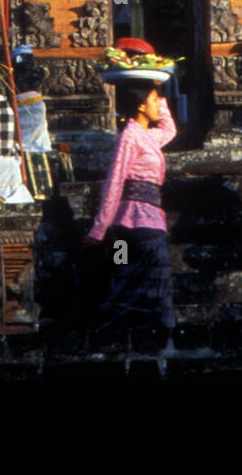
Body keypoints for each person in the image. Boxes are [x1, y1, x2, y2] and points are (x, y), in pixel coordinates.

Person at [84, 80, 176, 336]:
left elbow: (169, 130)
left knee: (135, 277)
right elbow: (115, 181)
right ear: (140, 105)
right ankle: (159, 331)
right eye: (153, 100)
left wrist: (160, 90)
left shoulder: (146, 136)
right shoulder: (129, 138)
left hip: (151, 218)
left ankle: (142, 331)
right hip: (135, 222)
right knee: (153, 273)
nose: (157, 104)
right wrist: (100, 228)